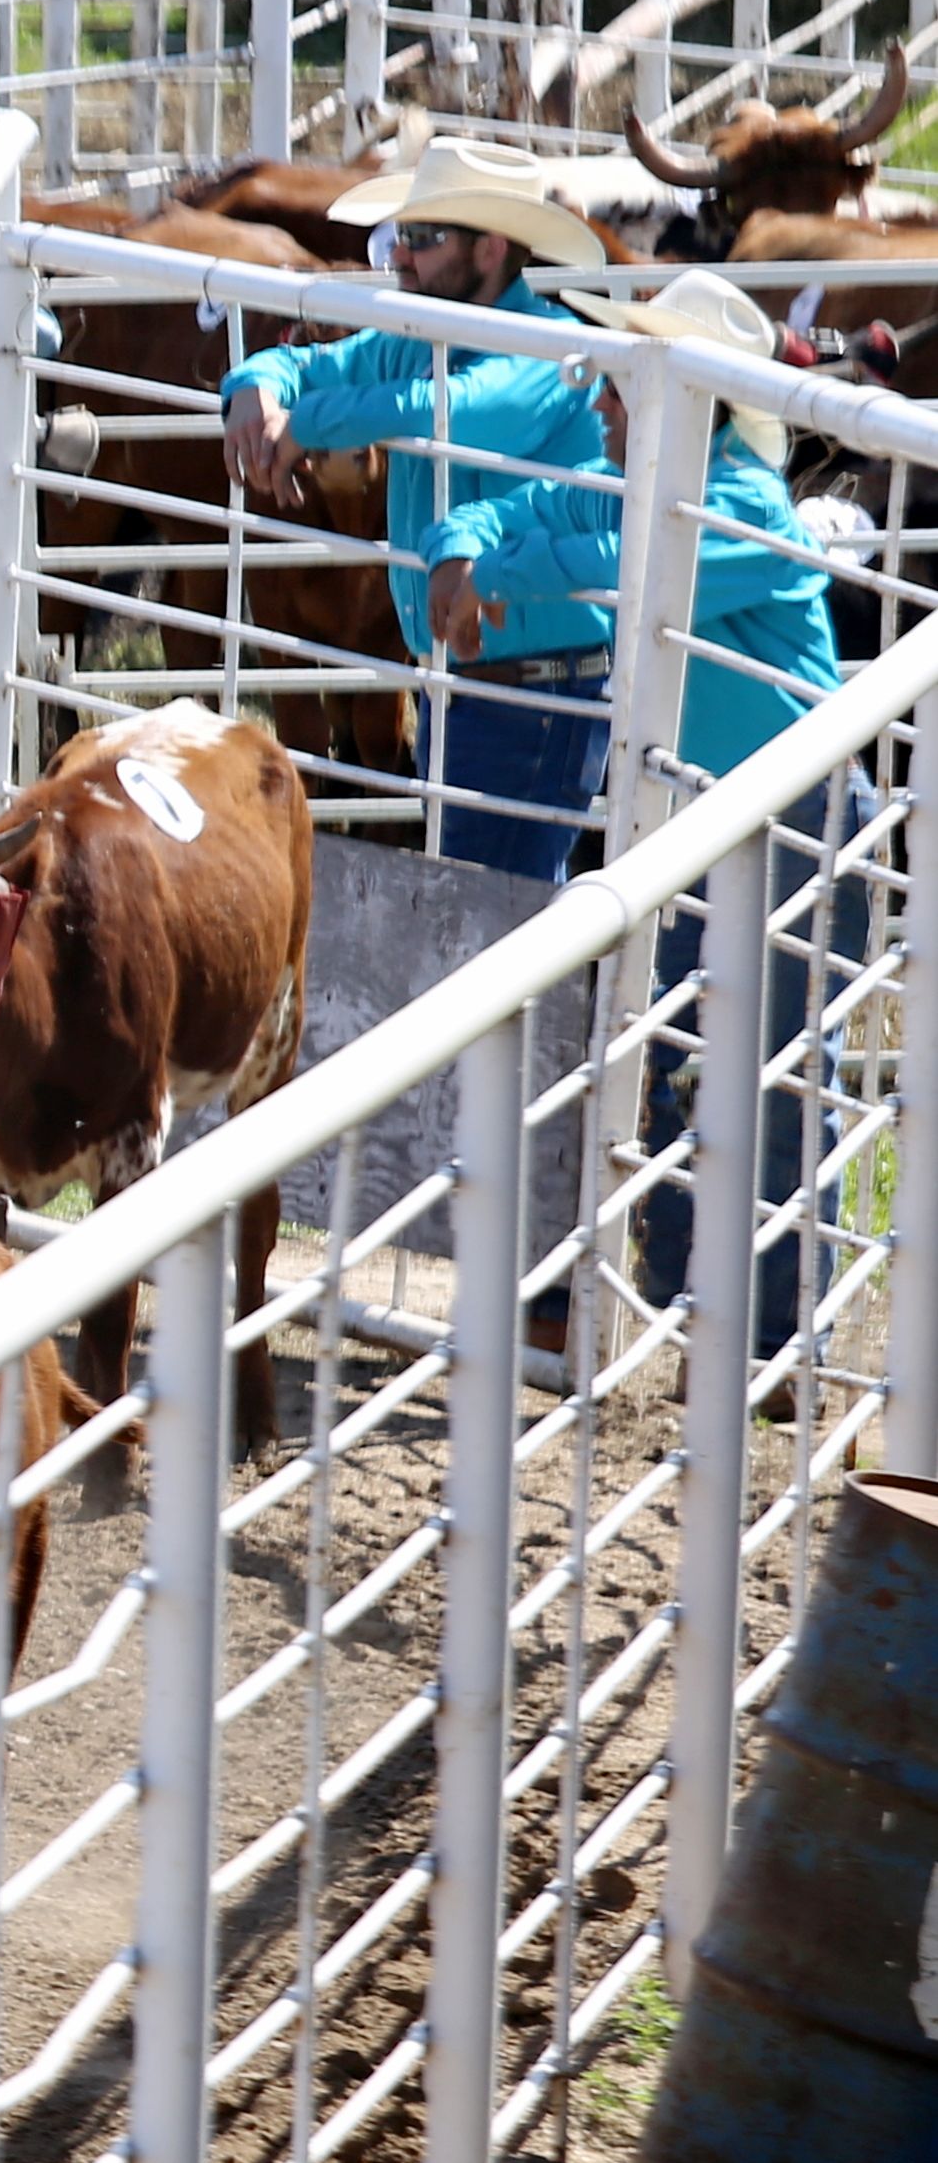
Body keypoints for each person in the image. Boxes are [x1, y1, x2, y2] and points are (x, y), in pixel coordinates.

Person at [422, 269, 856, 1392]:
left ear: (687, 400)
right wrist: (459, 553)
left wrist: (490, 566)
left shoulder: (740, 504)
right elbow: (506, 512)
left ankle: (768, 1351)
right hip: (705, 811)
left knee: (774, 1083)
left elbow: (625, 571)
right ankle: (684, 1319)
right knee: (676, 1055)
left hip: (789, 816)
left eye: (626, 387)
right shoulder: (661, 487)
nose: (605, 406)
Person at [219, 136, 618, 882]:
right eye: (397, 237)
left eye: (423, 240)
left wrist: (304, 425)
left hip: (534, 687)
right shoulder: (423, 335)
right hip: (476, 681)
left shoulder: (553, 348)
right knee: (494, 913)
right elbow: (302, 362)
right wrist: (254, 389)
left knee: (489, 917)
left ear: (491, 249)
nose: (401, 256)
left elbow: (451, 410)